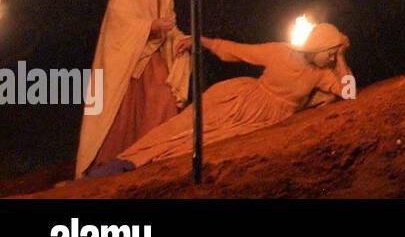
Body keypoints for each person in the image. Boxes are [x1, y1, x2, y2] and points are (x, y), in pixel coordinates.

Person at [85, 23, 352, 176]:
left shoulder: (321, 75)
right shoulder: (279, 52)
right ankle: (116, 165)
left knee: (192, 143)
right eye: (330, 53)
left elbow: (348, 92)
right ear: (317, 48)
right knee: (182, 126)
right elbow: (235, 51)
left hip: (259, 119)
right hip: (237, 98)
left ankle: (132, 166)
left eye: (334, 55)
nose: (331, 59)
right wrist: (200, 41)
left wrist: (340, 58)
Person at [76, 0, 191, 179]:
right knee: (122, 115)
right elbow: (119, 26)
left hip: (151, 61)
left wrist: (180, 39)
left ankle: (153, 151)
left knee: (163, 98)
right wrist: (150, 25)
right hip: (126, 67)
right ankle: (112, 162)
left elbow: (169, 26)